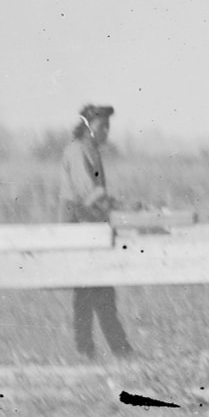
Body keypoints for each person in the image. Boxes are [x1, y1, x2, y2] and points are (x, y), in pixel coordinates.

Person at [60, 101, 132, 360]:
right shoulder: (77, 150)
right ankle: (93, 349)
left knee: (100, 289)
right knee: (87, 291)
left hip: (93, 222)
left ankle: (113, 349)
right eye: (102, 126)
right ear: (88, 126)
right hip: (79, 222)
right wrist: (112, 203)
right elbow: (86, 192)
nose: (106, 132)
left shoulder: (92, 149)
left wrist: (114, 204)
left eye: (108, 127)